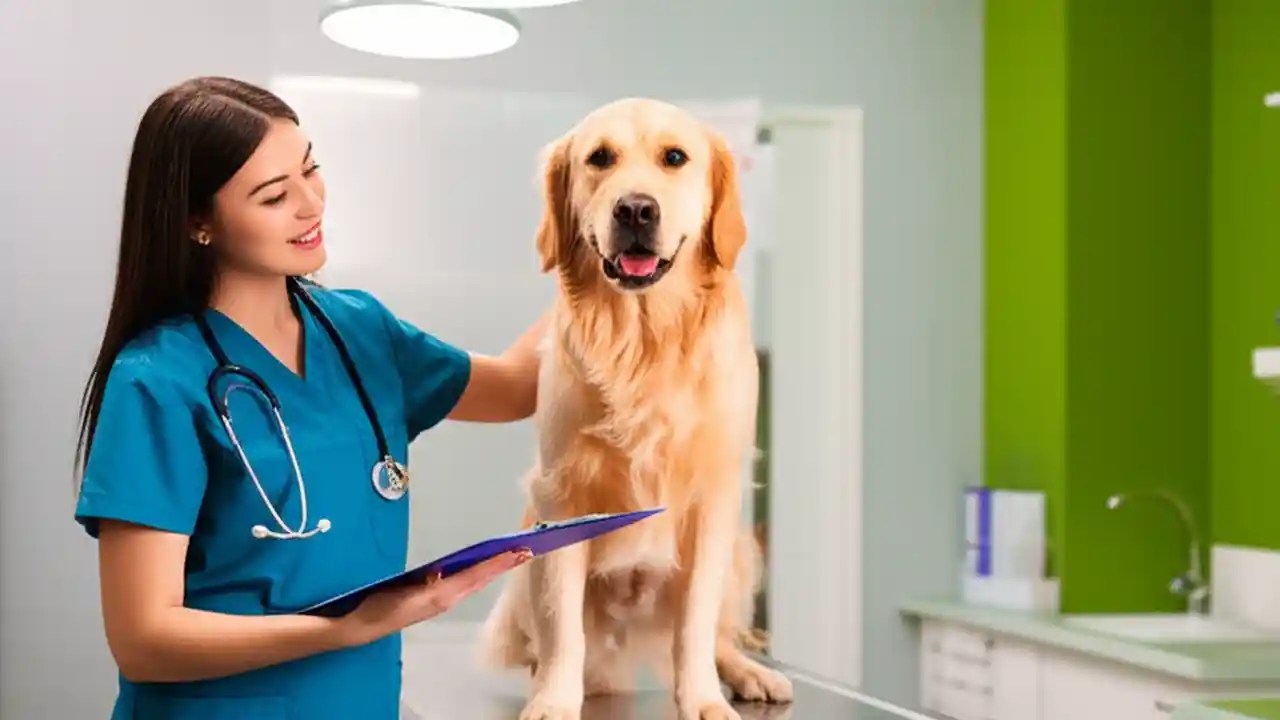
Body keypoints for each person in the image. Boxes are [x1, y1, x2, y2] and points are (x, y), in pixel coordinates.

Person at [72, 76, 544, 719]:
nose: (310, 203)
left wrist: (613, 267)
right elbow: (144, 640)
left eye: (310, 169)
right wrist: (346, 629)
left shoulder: (359, 331)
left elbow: (518, 387)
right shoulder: (156, 380)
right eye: (273, 195)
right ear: (198, 223)